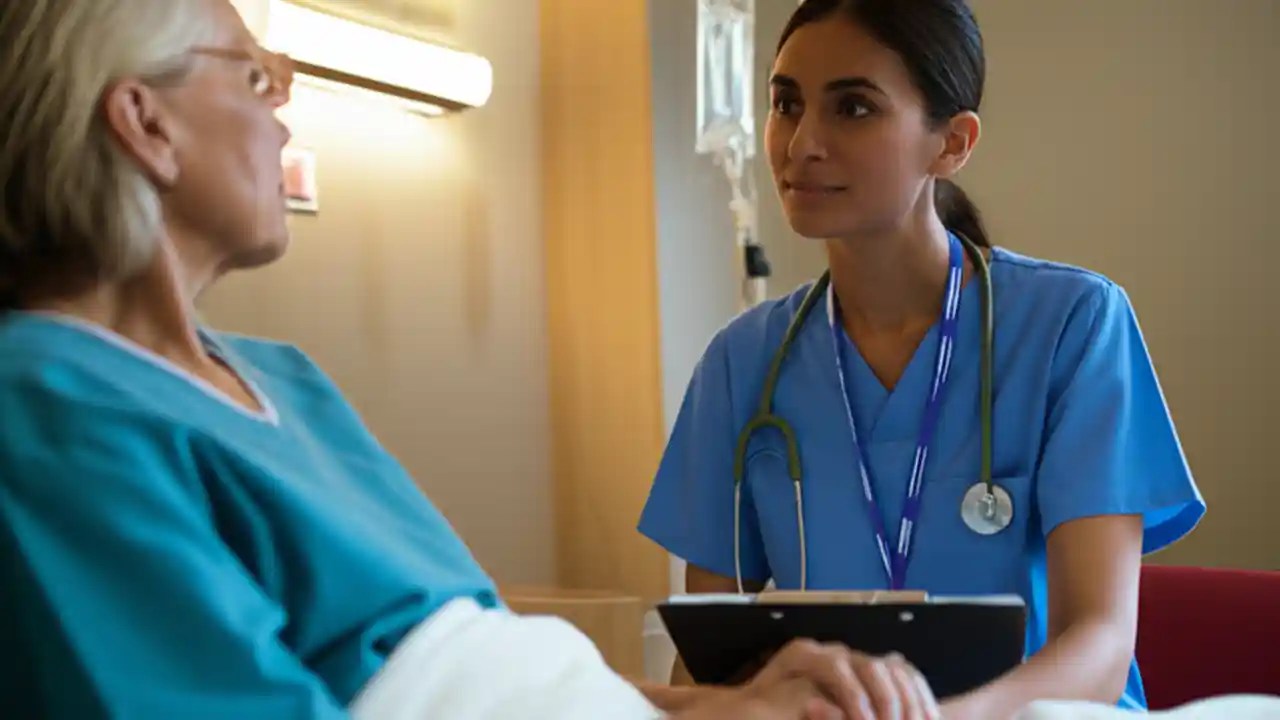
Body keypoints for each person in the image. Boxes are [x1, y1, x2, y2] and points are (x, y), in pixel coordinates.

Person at [0, 1, 942, 718]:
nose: (285, 118)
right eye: (255, 79)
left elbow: (492, 654)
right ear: (144, 122)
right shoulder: (44, 402)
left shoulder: (285, 379)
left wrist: (734, 706)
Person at [638, 0, 1205, 718]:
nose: (801, 142)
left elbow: (1099, 643)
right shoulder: (742, 363)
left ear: (952, 143)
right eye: (787, 103)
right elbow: (709, 661)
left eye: (853, 108)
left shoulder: (1072, 327)